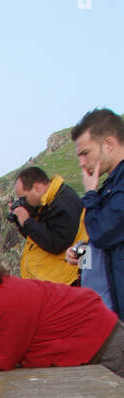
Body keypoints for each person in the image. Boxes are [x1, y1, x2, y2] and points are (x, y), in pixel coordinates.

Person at [72, 107, 124, 316]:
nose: (82, 163)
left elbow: (102, 233)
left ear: (109, 144)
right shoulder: (111, 187)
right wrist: (81, 253)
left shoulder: (116, 187)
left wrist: (90, 193)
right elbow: (106, 244)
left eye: (85, 153)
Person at [9, 166, 84, 284]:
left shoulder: (63, 202)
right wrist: (21, 221)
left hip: (65, 282)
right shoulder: (48, 201)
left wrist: (27, 221)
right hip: (53, 280)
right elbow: (37, 237)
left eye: (23, 198)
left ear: (37, 188)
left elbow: (56, 243)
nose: (22, 202)